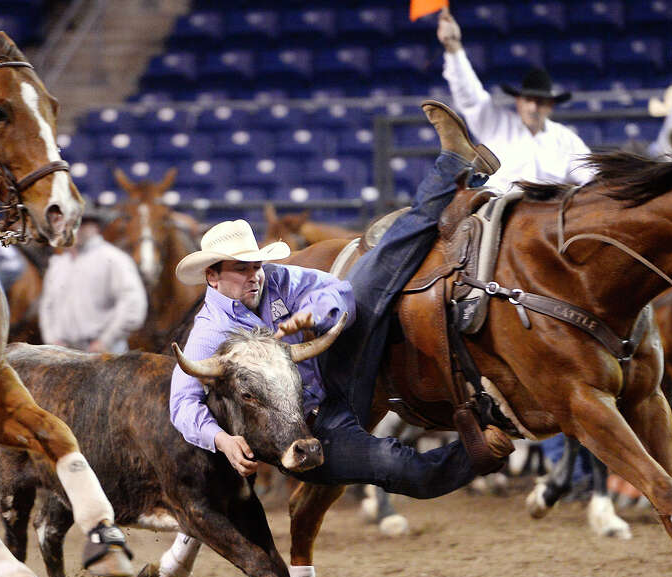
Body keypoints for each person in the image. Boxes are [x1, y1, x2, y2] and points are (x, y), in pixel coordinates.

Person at [170, 104, 507, 498]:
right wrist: (222, 440)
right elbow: (182, 405)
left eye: (256, 265)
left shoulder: (276, 278)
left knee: (381, 260)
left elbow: (336, 289)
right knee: (399, 468)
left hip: (338, 372)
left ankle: (454, 165)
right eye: (241, 270)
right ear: (212, 276)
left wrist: (315, 312)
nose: (255, 275)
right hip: (308, 431)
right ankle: (482, 454)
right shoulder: (210, 335)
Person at [436, 11, 595, 193]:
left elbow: (590, 177)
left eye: (540, 102)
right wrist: (453, 46)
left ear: (550, 106)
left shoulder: (566, 140)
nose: (533, 108)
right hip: (498, 210)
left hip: (549, 213)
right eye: (528, 100)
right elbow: (468, 94)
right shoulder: (494, 122)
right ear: (518, 101)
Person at [38, 207, 147, 354]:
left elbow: (133, 305)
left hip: (104, 353)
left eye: (81, 223)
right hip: (64, 353)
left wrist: (106, 340)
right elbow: (47, 306)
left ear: (95, 226)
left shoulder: (114, 259)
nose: (74, 228)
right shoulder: (59, 263)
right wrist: (52, 340)